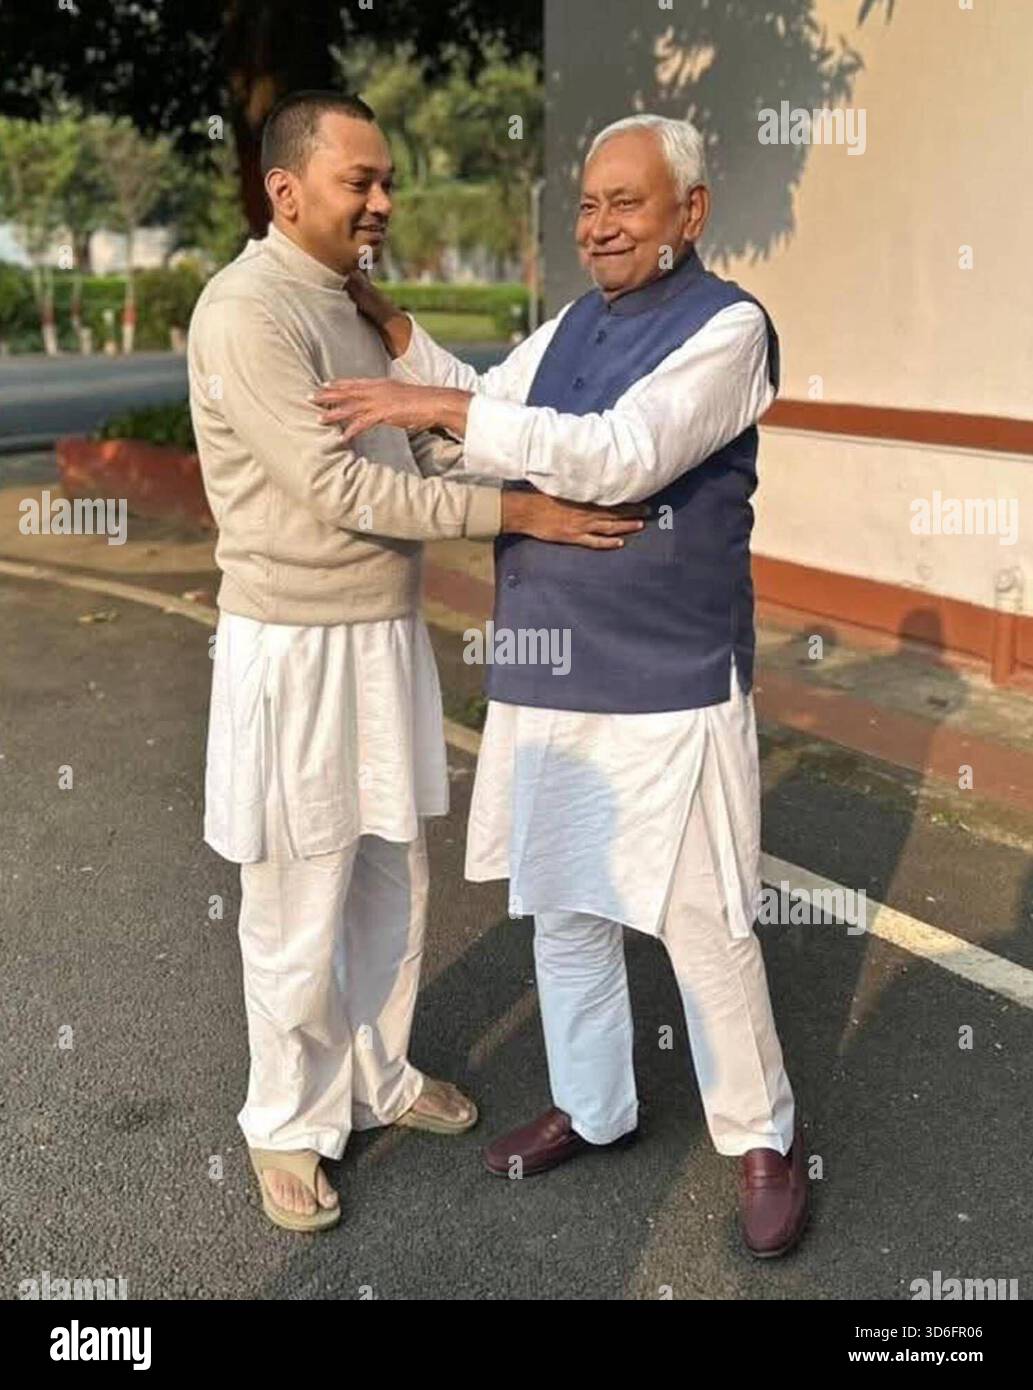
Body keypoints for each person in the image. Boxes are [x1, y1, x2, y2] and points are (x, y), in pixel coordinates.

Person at [314, 113, 809, 1257]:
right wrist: (398, 337)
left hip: (671, 675)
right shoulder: (575, 321)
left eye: (625, 204)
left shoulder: (729, 329)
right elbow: (491, 412)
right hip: (549, 667)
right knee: (565, 909)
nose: (598, 227)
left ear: (690, 212)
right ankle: (596, 1106)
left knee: (705, 921)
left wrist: (443, 411)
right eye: (587, 205)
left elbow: (623, 454)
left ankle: (762, 1138)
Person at [187, 90, 646, 1233]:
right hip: (291, 645)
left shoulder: (346, 307)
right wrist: (515, 516)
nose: (384, 201)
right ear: (286, 191)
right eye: (361, 183)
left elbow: (421, 449)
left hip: (381, 634)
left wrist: (512, 479)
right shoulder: (247, 313)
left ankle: (377, 1074)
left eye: (387, 180)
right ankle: (285, 1120)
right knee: (297, 891)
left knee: (393, 873)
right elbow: (337, 486)